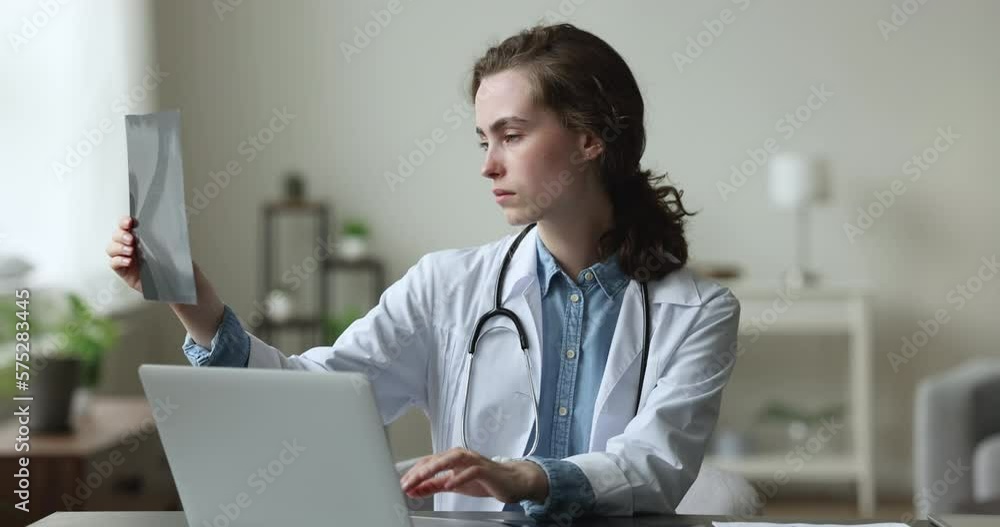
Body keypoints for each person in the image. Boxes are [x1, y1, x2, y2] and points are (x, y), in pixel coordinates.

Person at [107, 23, 741, 520]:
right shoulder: (445, 287)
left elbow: (658, 465)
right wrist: (195, 303)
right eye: (482, 140)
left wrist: (522, 475)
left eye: (511, 135)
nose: (488, 165)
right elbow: (316, 400)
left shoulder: (698, 310)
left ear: (590, 138)